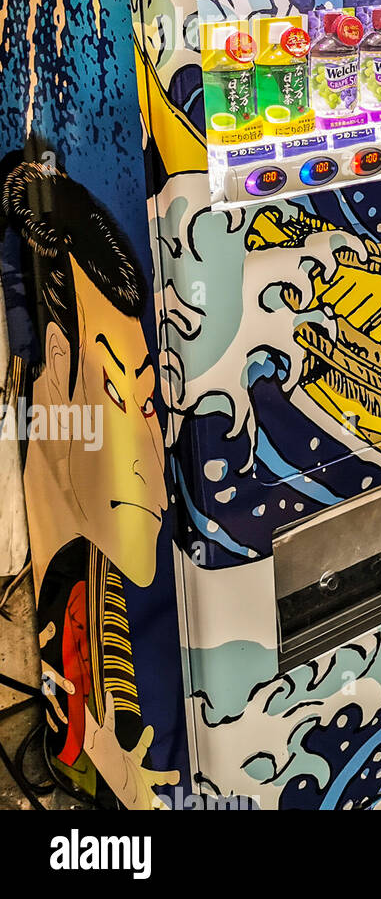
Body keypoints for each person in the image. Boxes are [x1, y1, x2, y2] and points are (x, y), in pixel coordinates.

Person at [2, 158, 178, 808]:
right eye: (118, 394)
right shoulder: (74, 561)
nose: (151, 457)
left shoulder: (88, 544)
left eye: (150, 403)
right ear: (56, 358)